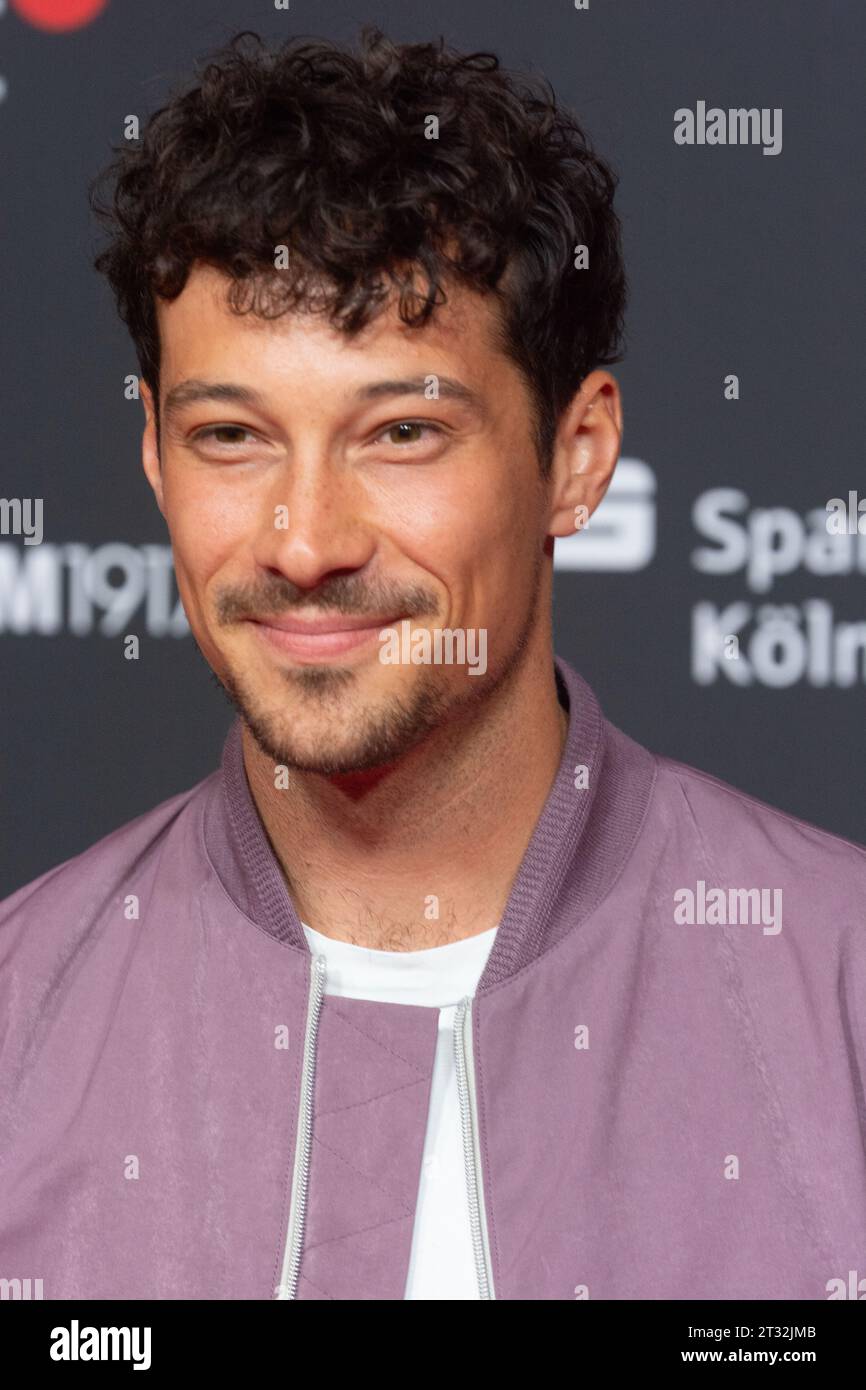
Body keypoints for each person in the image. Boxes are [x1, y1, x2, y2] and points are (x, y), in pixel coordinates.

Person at [1, 27, 865, 1302]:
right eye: (231, 435)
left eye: (400, 431)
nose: (305, 543)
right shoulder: (20, 1018)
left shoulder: (836, 986)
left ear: (573, 455)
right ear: (154, 461)